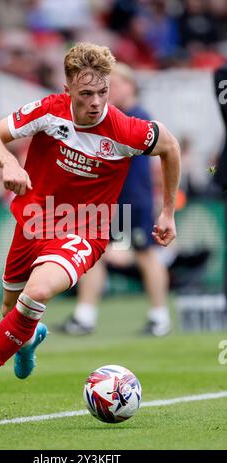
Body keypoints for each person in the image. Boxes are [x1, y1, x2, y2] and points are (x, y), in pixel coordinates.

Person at [0, 42, 180, 415]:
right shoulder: (47, 111)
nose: (96, 102)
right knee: (11, 311)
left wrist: (167, 211)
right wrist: (8, 163)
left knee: (36, 292)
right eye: (86, 93)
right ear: (68, 87)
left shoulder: (125, 129)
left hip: (86, 229)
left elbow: (170, 146)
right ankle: (28, 339)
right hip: (35, 223)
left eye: (102, 92)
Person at [59, 63, 171, 337]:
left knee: (146, 255)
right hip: (109, 201)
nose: (108, 93)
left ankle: (160, 316)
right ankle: (85, 316)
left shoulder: (138, 117)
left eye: (115, 86)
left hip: (133, 200)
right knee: (92, 255)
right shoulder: (111, 116)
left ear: (131, 86)